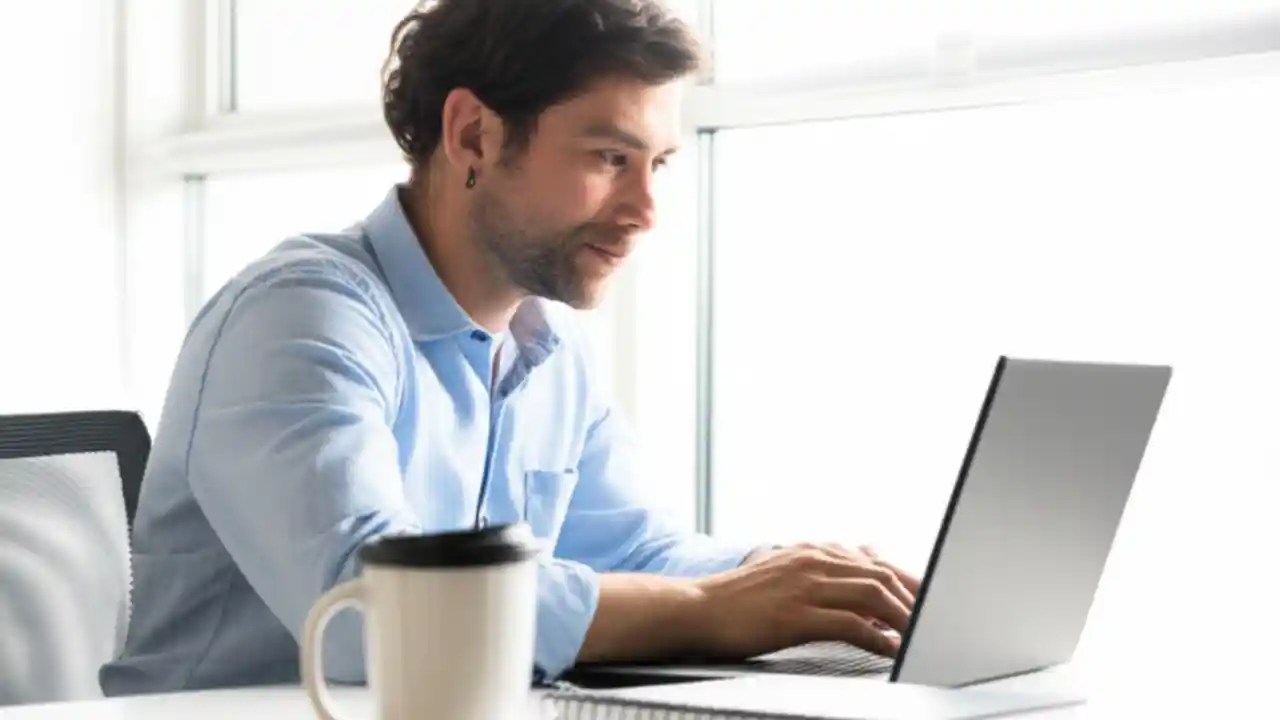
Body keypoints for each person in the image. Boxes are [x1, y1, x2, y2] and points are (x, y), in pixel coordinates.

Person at [101, 0, 920, 696]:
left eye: (658, 165)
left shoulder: (550, 349)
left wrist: (806, 580)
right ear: (473, 135)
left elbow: (638, 551)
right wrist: (712, 610)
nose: (646, 210)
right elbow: (365, 616)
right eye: (609, 158)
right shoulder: (299, 315)